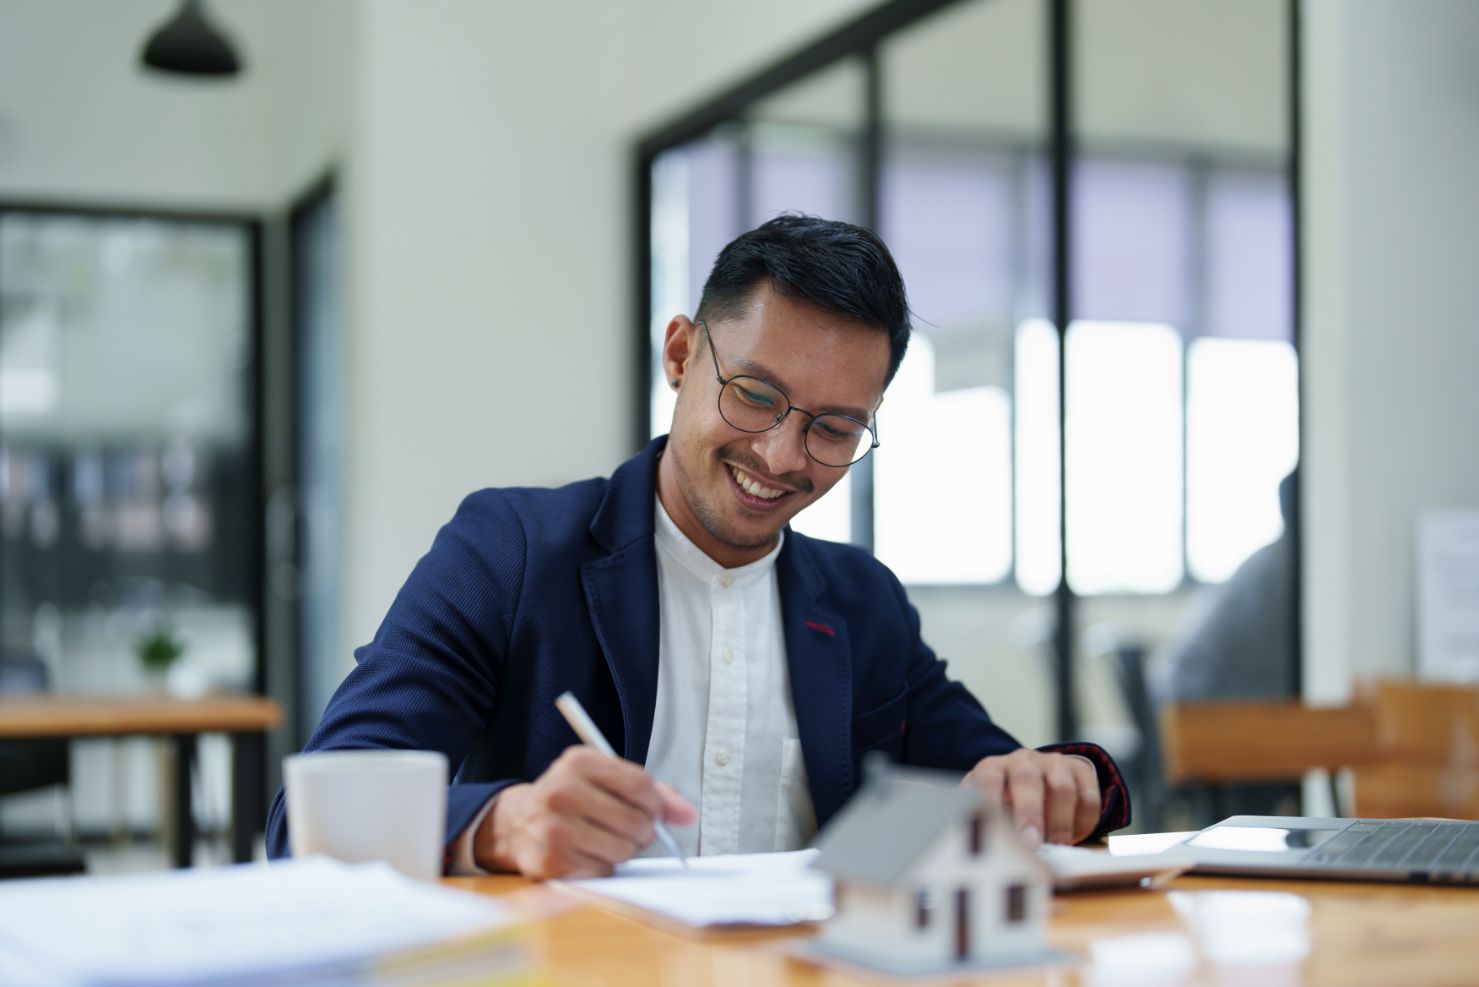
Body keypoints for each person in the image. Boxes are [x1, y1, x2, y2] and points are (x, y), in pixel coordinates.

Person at [265, 215, 1130, 878]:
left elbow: (999, 769)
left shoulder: (861, 601)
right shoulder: (511, 550)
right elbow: (310, 819)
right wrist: (500, 826)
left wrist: (1051, 782)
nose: (781, 456)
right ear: (681, 354)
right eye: (754, 394)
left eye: (834, 428)